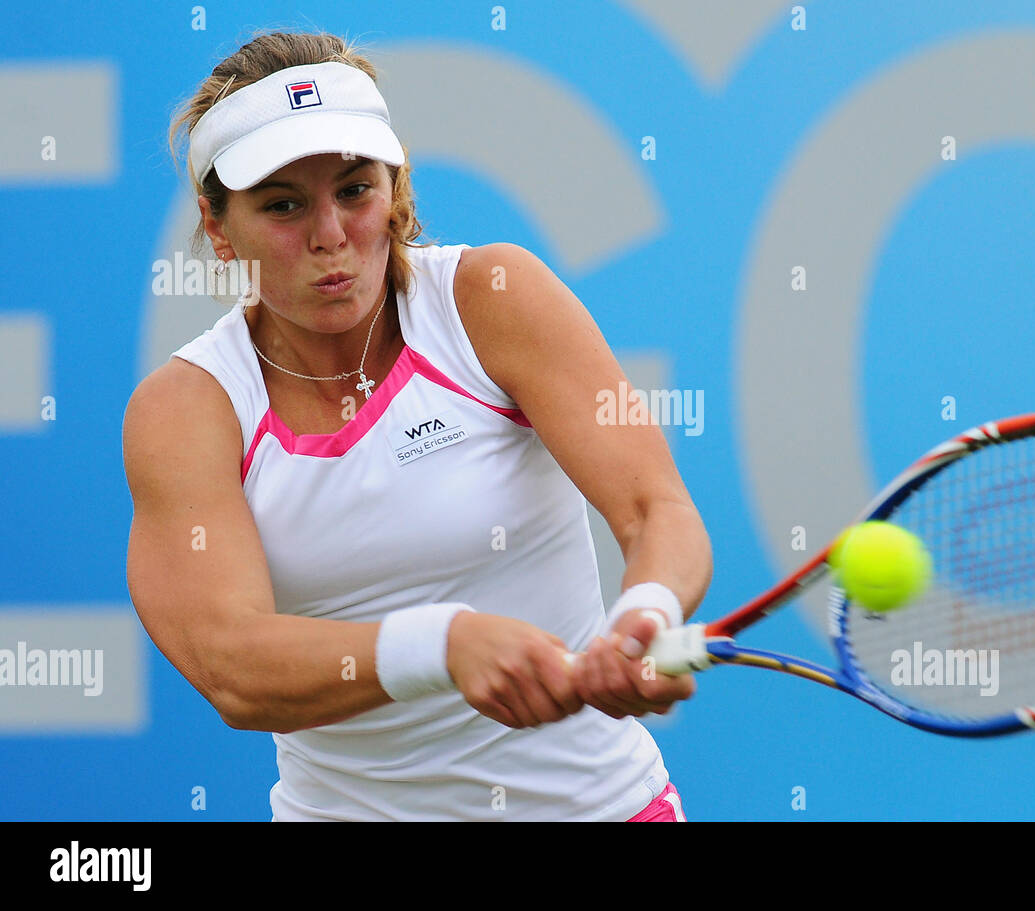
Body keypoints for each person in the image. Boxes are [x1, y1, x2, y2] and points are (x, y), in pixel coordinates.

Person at [123, 30, 711, 821]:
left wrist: (649, 613)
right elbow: (231, 663)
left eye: (355, 189)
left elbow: (656, 511)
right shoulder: (186, 409)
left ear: (395, 189)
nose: (330, 234)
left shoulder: (494, 300)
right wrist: (441, 644)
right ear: (220, 227)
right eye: (284, 205)